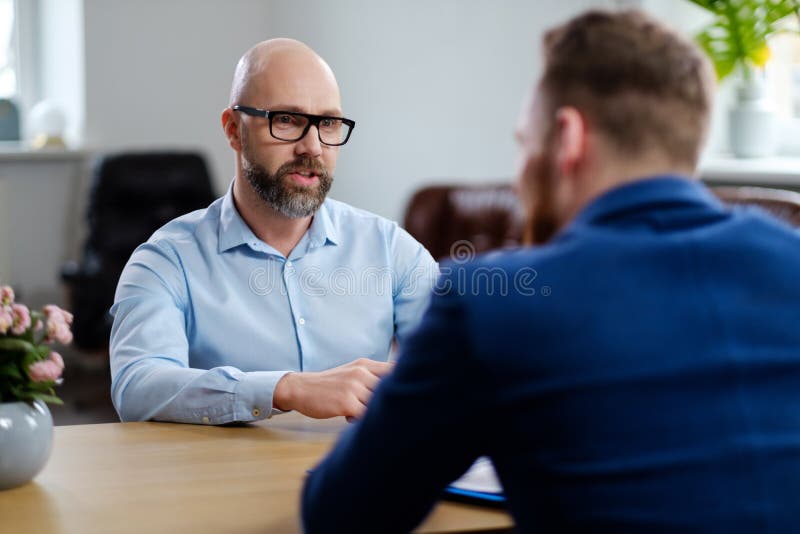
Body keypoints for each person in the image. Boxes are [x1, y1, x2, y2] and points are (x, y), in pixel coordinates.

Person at [302, 10, 800, 533]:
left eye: (524, 143)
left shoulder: (488, 308)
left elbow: (340, 515)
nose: (519, 176)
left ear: (567, 139)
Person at [109, 39, 436, 425]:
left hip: (358, 477)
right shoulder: (167, 259)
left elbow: (460, 368)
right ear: (234, 130)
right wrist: (285, 389)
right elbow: (138, 387)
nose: (312, 147)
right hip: (225, 481)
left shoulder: (391, 249)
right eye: (287, 120)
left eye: (328, 123)